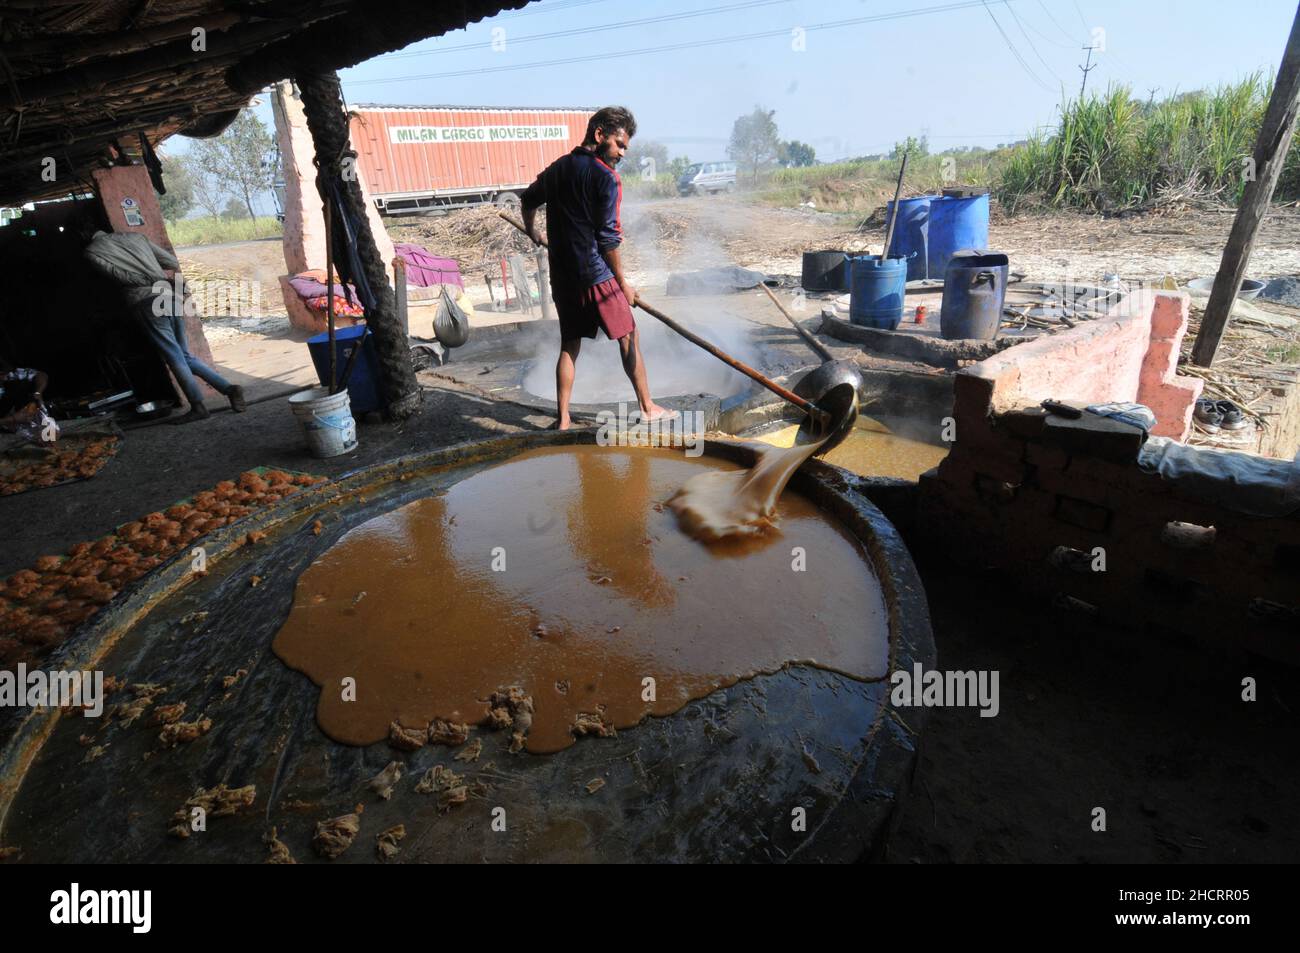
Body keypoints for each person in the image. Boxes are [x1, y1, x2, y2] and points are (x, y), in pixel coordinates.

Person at [521, 105, 676, 430]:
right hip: (595, 274)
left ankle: (563, 419)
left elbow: (528, 199)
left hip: (563, 278)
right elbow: (608, 240)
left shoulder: (559, 168)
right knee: (629, 336)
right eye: (619, 144)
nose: (622, 153)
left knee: (569, 344)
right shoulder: (607, 178)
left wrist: (532, 231)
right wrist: (623, 285)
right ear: (599, 134)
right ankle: (648, 407)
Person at [83, 229, 245, 424]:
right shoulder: (136, 237)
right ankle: (229, 389)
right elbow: (171, 262)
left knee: (175, 357)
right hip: (170, 297)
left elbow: (122, 277)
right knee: (184, 356)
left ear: (84, 235)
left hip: (146, 301)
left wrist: (151, 279)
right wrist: (161, 278)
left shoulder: (93, 251)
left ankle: (198, 407)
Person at [0, 360, 55, 443]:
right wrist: (12, 419)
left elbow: (41, 375)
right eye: (1, 374)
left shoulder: (8, 375)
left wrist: (38, 392)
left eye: (4, 374)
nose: (5, 378)